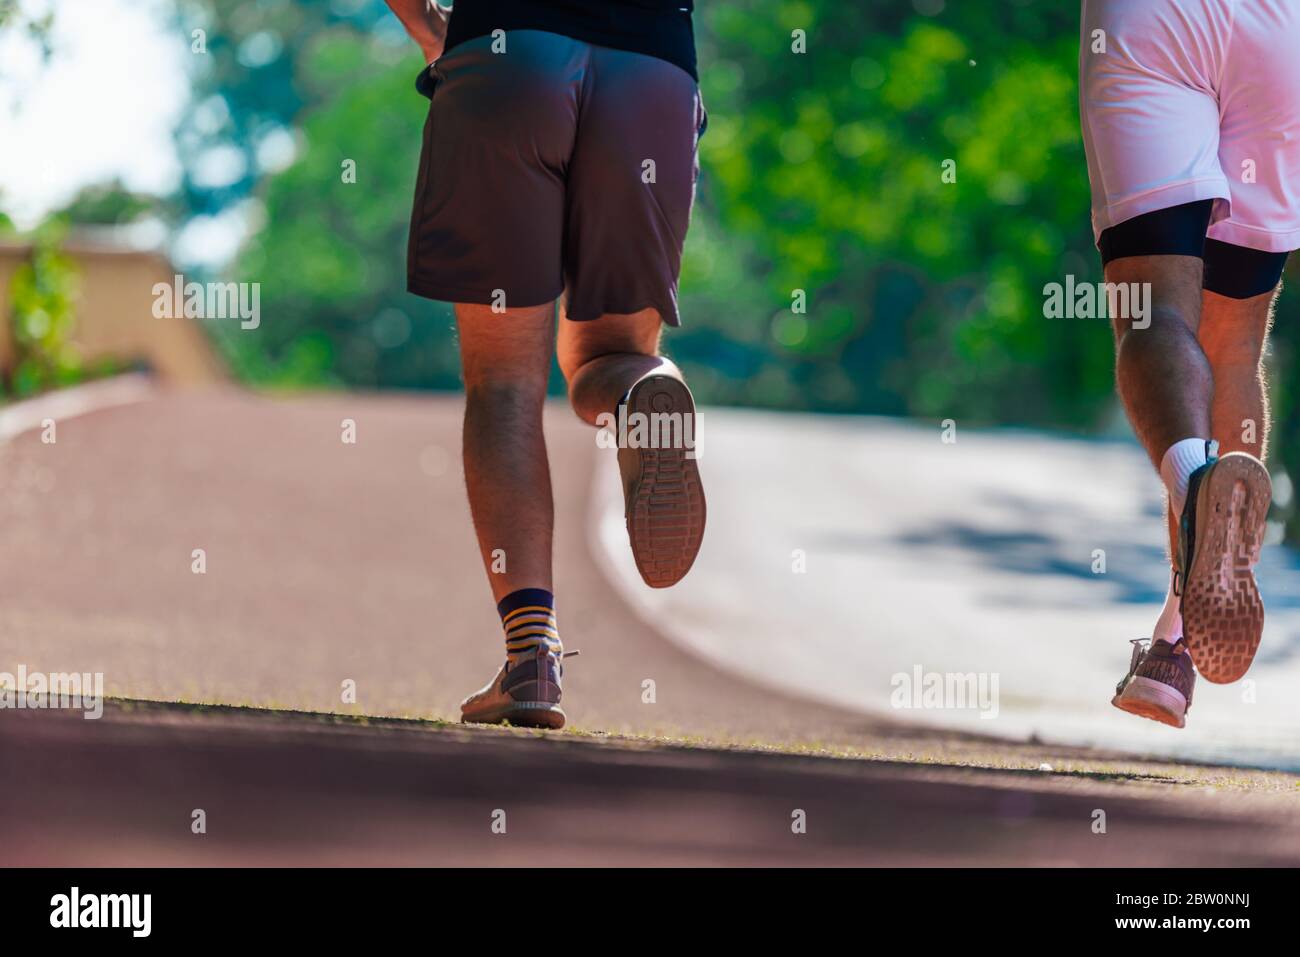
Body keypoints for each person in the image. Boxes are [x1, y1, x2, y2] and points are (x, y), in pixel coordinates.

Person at [383, 0, 708, 729]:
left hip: (508, 53)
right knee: (612, 356)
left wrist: (429, 25)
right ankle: (646, 390)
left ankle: (532, 654)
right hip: (651, 71)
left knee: (504, 384)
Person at [1079, 0, 1297, 727]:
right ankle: (1173, 645)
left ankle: (1197, 477)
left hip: (1156, 24)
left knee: (1153, 309)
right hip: (1282, 35)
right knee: (1235, 341)